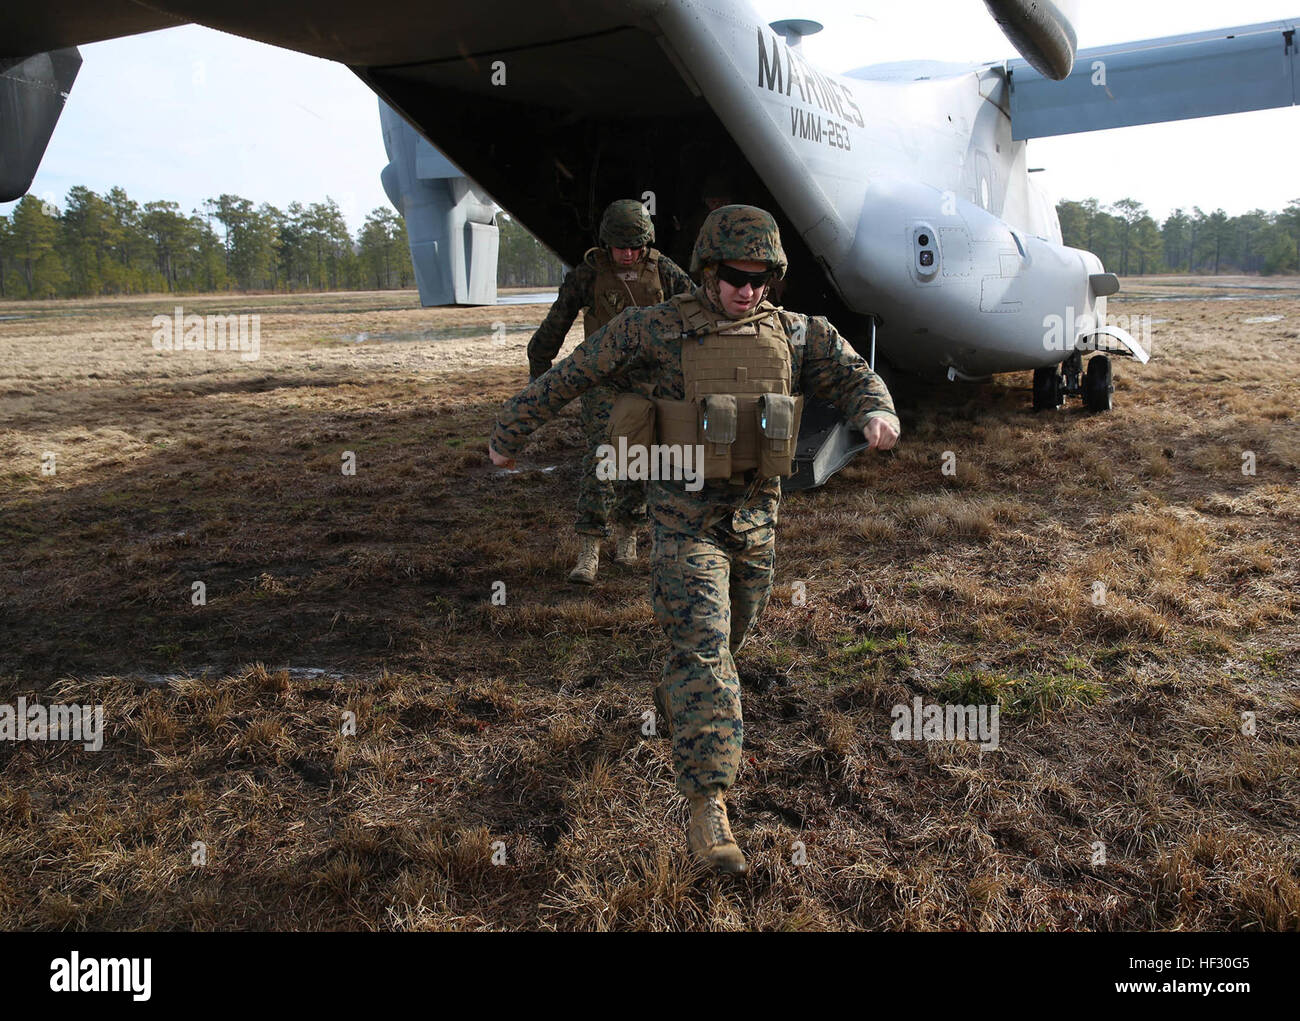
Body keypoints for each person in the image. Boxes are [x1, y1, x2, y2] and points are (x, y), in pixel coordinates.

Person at [491, 205, 899, 874]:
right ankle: (709, 811)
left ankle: (674, 695)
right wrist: (510, 430)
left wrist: (876, 409)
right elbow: (576, 371)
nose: (747, 289)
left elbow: (855, 374)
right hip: (683, 522)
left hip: (755, 523)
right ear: (709, 269)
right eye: (734, 276)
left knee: (728, 642)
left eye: (760, 277)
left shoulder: (796, 334)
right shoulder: (656, 328)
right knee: (707, 650)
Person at [526, 199, 693, 585]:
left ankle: (628, 536)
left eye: (637, 247)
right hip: (602, 377)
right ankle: (589, 549)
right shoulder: (588, 275)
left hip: (648, 380)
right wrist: (539, 371)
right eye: (621, 247)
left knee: (637, 455)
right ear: (606, 243)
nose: (629, 254)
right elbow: (556, 323)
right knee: (603, 452)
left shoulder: (663, 270)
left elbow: (698, 306)